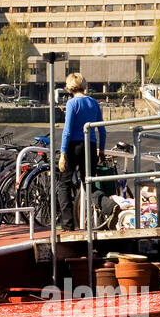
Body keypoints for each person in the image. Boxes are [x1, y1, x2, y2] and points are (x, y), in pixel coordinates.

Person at [55, 72, 105, 230]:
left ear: (70, 87)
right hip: (89, 146)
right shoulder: (93, 103)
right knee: (89, 184)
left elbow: (67, 131)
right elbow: (102, 130)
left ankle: (68, 224)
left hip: (73, 146)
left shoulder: (71, 103)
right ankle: (109, 206)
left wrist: (63, 153)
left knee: (63, 184)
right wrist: (101, 150)